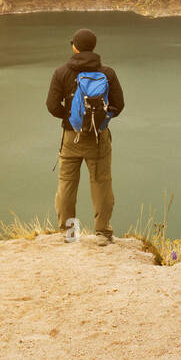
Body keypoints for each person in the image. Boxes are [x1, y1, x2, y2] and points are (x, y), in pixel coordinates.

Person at [46, 28, 124, 244]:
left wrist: (70, 117)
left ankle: (70, 233)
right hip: (98, 138)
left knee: (67, 185)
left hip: (71, 138)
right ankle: (102, 233)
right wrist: (102, 120)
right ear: (94, 47)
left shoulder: (61, 72)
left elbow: (52, 106)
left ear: (75, 47)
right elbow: (119, 104)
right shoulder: (107, 73)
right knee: (101, 184)